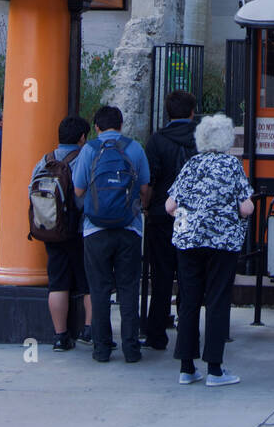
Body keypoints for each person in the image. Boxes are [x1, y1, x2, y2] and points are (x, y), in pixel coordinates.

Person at [166, 114, 253, 387]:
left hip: (188, 241)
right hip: (222, 243)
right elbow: (246, 207)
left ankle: (186, 366)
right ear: (227, 139)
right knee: (217, 300)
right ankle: (215, 369)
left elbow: (170, 206)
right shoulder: (232, 165)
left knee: (189, 301)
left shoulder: (191, 164)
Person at [72, 105, 150, 364]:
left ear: (96, 127)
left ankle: (102, 348)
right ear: (121, 125)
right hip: (129, 229)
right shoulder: (135, 148)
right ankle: (131, 349)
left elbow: (79, 189)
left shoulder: (89, 150)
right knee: (129, 289)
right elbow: (145, 188)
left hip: (95, 230)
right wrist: (140, 208)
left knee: (99, 290)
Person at [28, 115, 93, 351]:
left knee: (57, 284)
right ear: (82, 137)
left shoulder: (44, 161)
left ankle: (60, 336)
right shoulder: (82, 157)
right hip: (78, 231)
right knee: (88, 283)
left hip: (51, 231)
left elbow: (31, 191)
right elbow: (82, 194)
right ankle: (88, 329)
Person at [142, 90, 198, 350]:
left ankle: (156, 333)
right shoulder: (199, 138)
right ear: (192, 112)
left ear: (167, 113)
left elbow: (150, 180)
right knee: (190, 277)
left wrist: (147, 206)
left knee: (161, 276)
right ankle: (189, 334)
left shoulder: (156, 141)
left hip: (161, 215)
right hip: (194, 217)